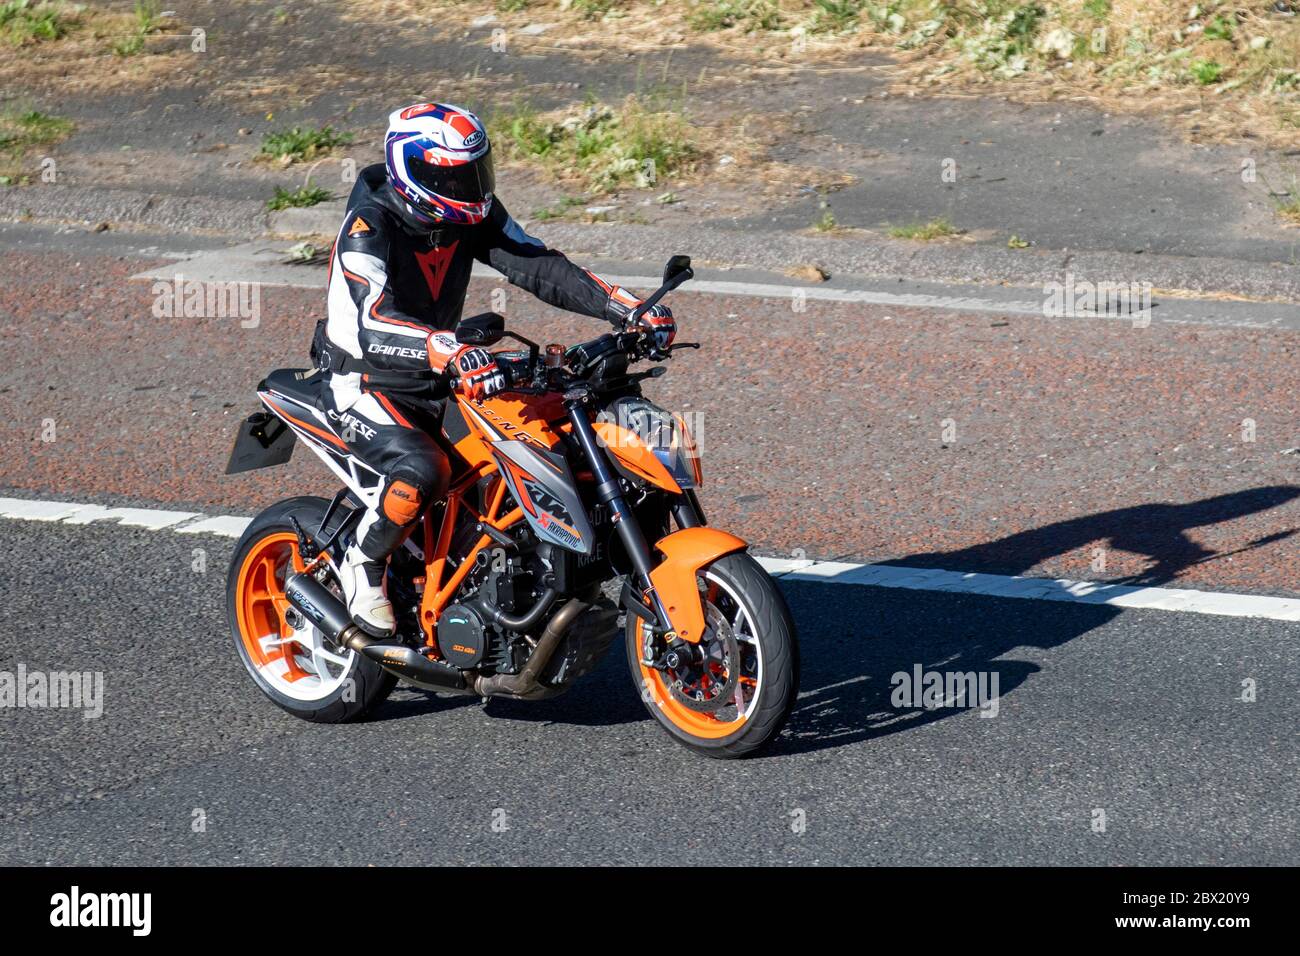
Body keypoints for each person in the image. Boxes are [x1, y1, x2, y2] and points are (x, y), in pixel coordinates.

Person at [314, 102, 676, 636]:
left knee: (533, 441)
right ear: (411, 169)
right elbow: (373, 320)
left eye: (474, 173)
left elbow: (538, 264)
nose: (468, 188)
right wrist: (447, 348)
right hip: (366, 378)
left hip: (446, 373)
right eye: (451, 176)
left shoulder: (470, 212)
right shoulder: (369, 227)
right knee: (423, 471)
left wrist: (629, 309)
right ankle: (362, 564)